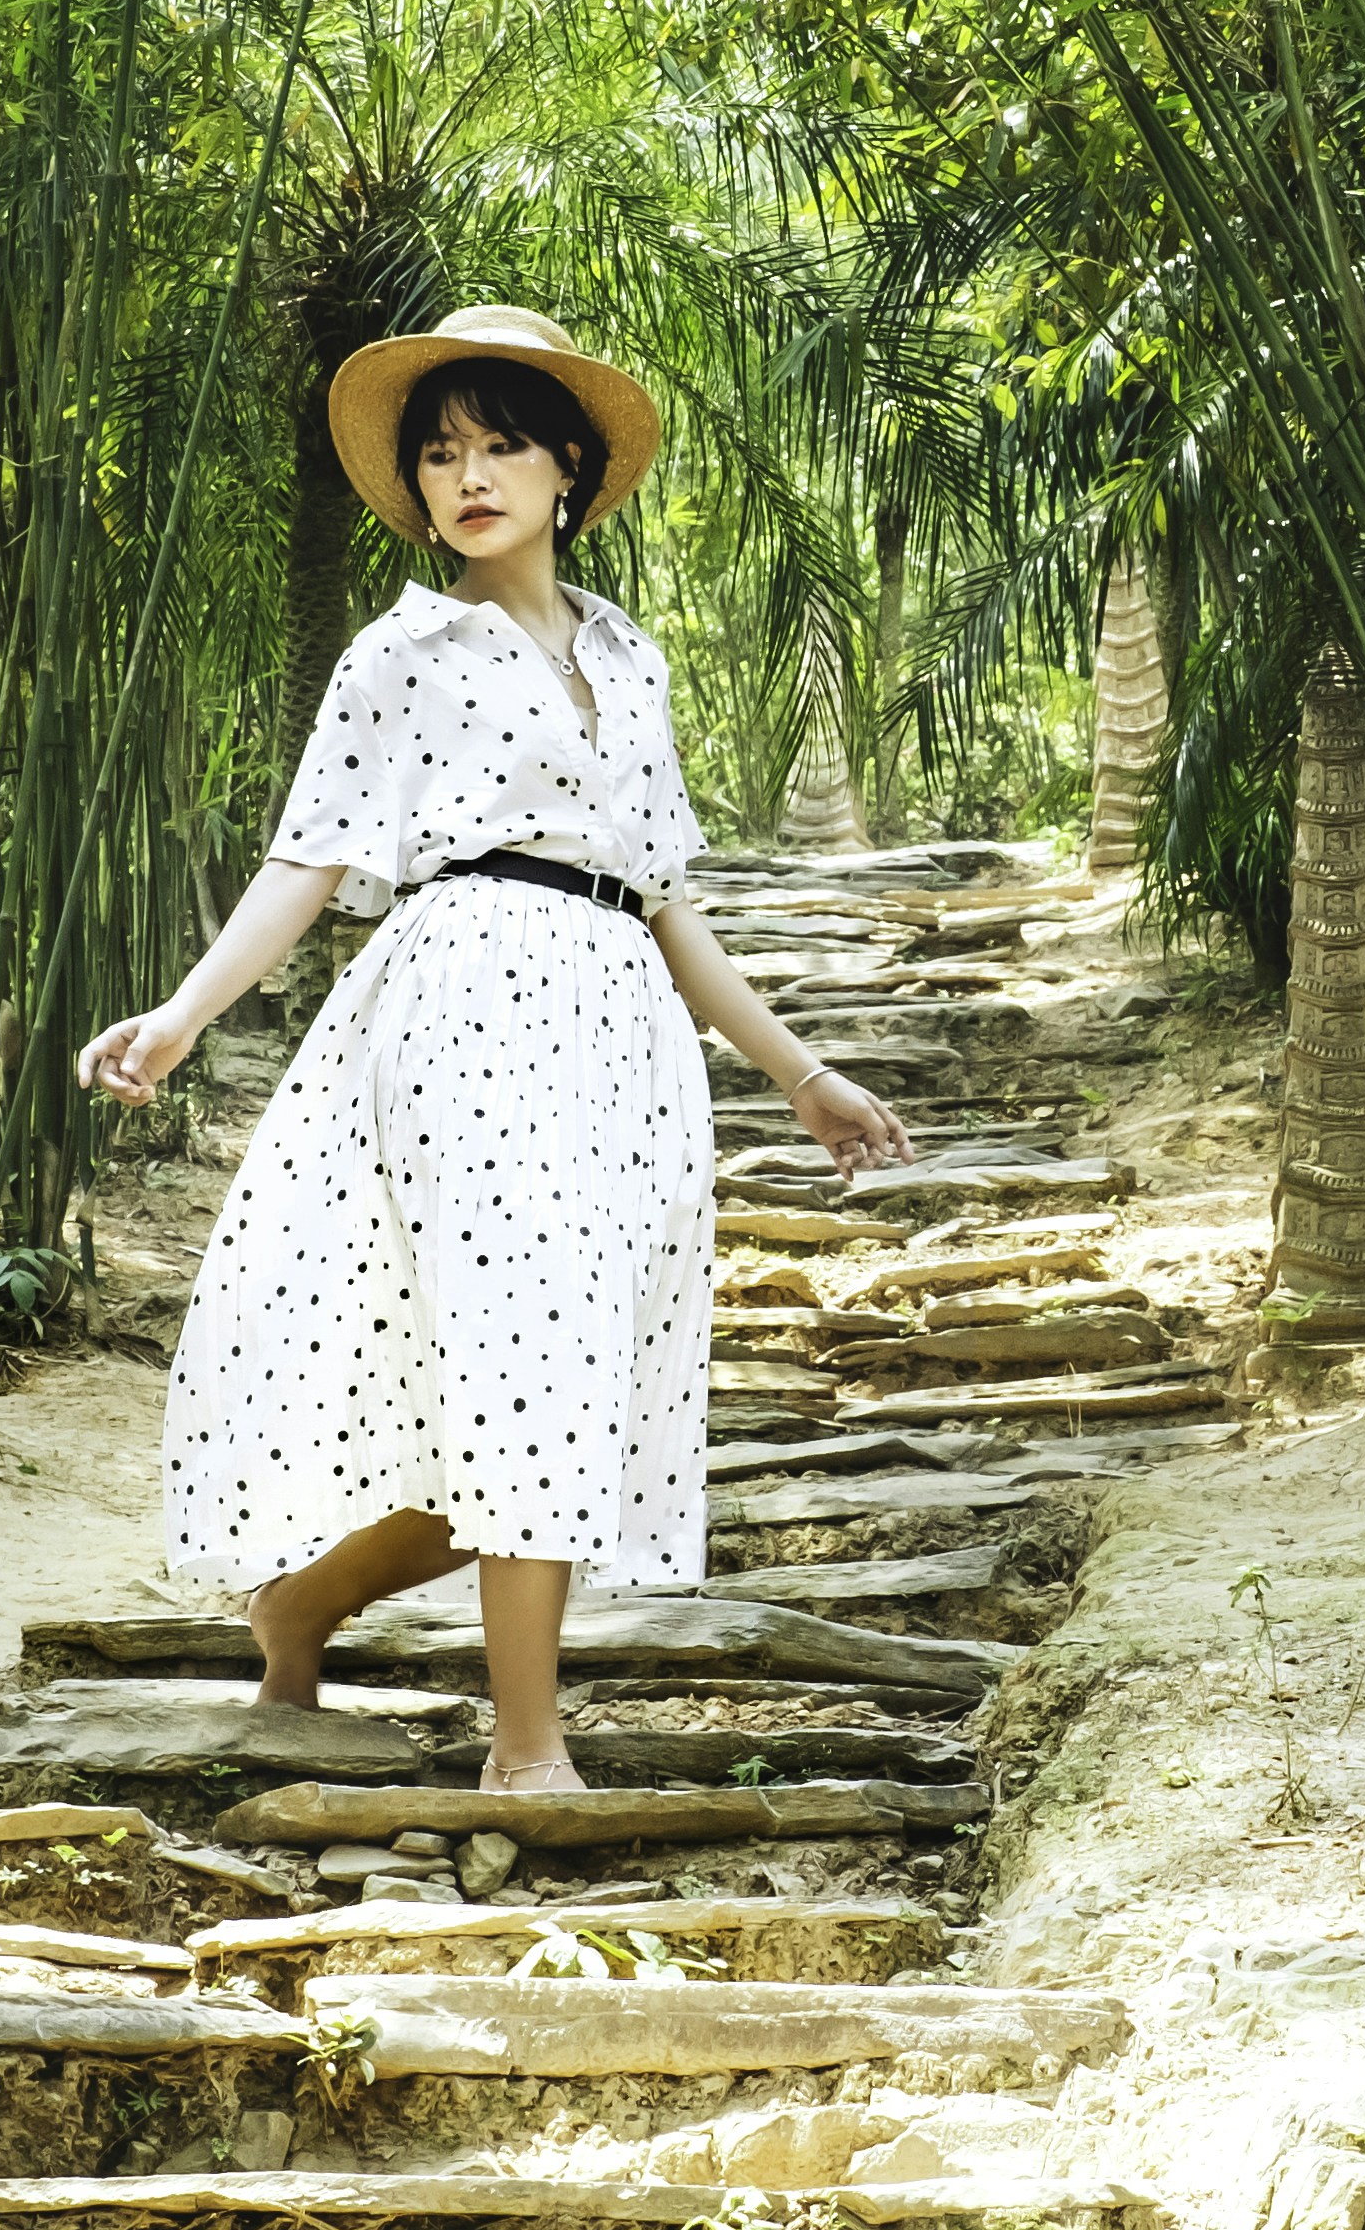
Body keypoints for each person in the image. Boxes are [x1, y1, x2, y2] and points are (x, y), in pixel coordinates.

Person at [79, 305, 919, 1791]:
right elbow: (307, 862)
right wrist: (182, 1012)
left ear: (569, 470)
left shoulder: (632, 658)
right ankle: (526, 1752)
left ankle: (306, 1604)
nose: (467, 474)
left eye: (500, 444)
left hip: (621, 1034)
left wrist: (801, 1073)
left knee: (560, 1390)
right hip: (467, 1001)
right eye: (441, 452)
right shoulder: (401, 650)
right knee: (518, 1365)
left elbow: (668, 901)